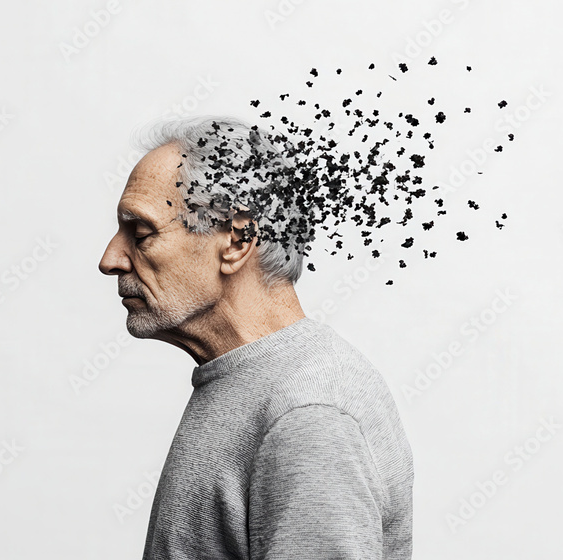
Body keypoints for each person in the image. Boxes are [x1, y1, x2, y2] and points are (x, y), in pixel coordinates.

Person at [97, 115, 414, 559]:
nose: (111, 259)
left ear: (237, 240)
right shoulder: (250, 381)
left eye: (141, 233)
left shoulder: (307, 412)